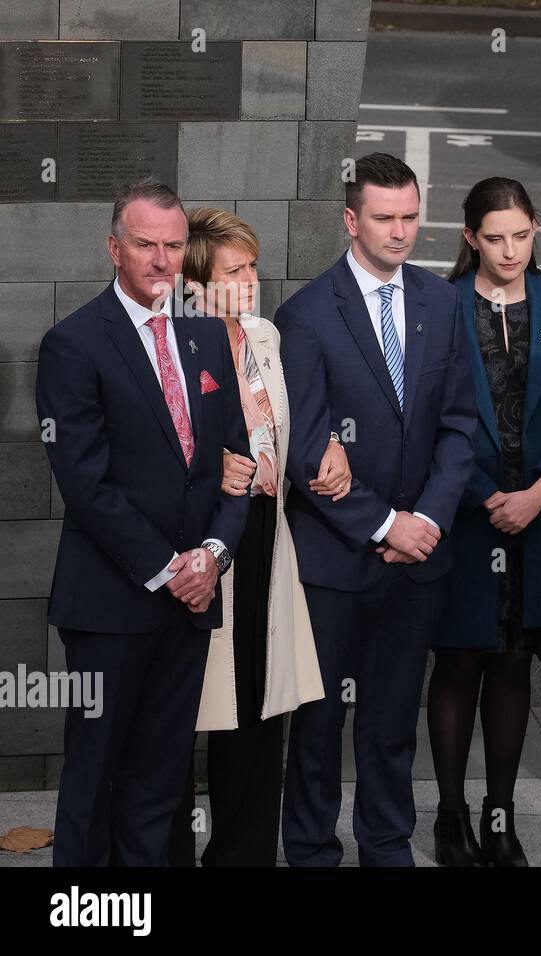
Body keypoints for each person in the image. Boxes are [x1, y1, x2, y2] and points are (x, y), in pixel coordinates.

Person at [36, 180, 250, 866]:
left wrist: (213, 554)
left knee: (162, 783)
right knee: (96, 779)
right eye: (144, 244)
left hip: (191, 605)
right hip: (111, 605)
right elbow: (85, 484)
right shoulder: (74, 343)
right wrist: (171, 570)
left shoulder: (207, 337)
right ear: (114, 249)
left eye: (173, 244)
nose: (161, 259)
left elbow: (236, 464)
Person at [275, 153, 477, 867]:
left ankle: (386, 846)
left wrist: (427, 520)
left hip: (418, 559)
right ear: (350, 220)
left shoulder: (441, 302)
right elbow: (305, 450)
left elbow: (460, 426)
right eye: (385, 218)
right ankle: (309, 849)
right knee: (319, 721)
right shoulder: (303, 316)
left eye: (411, 217)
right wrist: (387, 524)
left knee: (392, 721)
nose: (401, 232)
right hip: (334, 563)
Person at [167, 207, 347, 866]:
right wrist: (208, 465)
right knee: (190, 709)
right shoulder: (172, 343)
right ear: (195, 282)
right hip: (202, 537)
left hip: (267, 538)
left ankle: (243, 856)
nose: (251, 280)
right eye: (235, 271)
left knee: (259, 707)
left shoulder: (267, 335)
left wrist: (329, 443)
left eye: (253, 266)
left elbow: (300, 417)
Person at [430, 178, 541, 866]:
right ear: (470, 238)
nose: (510, 250)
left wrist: (538, 491)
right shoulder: (441, 305)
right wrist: (481, 495)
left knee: (512, 665)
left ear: (536, 229)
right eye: (494, 238)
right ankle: (450, 815)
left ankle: (501, 816)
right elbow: (430, 418)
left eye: (521, 236)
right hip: (464, 518)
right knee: (458, 662)